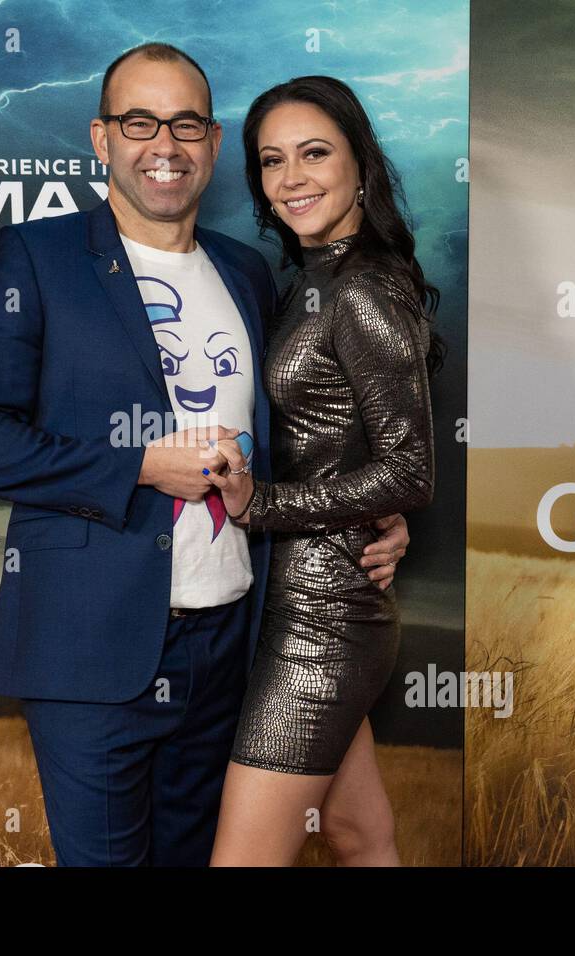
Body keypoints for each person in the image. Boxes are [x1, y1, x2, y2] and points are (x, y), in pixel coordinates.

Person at [0, 44, 412, 866]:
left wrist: (374, 504)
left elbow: (287, 437)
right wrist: (139, 467)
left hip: (231, 640)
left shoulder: (247, 270)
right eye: (140, 122)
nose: (165, 144)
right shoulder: (38, 257)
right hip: (93, 648)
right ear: (101, 138)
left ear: (215, 143)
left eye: (186, 123)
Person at [203, 76, 443, 866]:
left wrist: (258, 502)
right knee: (360, 839)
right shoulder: (311, 283)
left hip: (322, 619)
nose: (291, 178)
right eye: (272, 161)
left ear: (361, 166)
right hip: (300, 594)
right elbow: (348, 451)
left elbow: (409, 470)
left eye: (314, 153)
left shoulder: (364, 287)